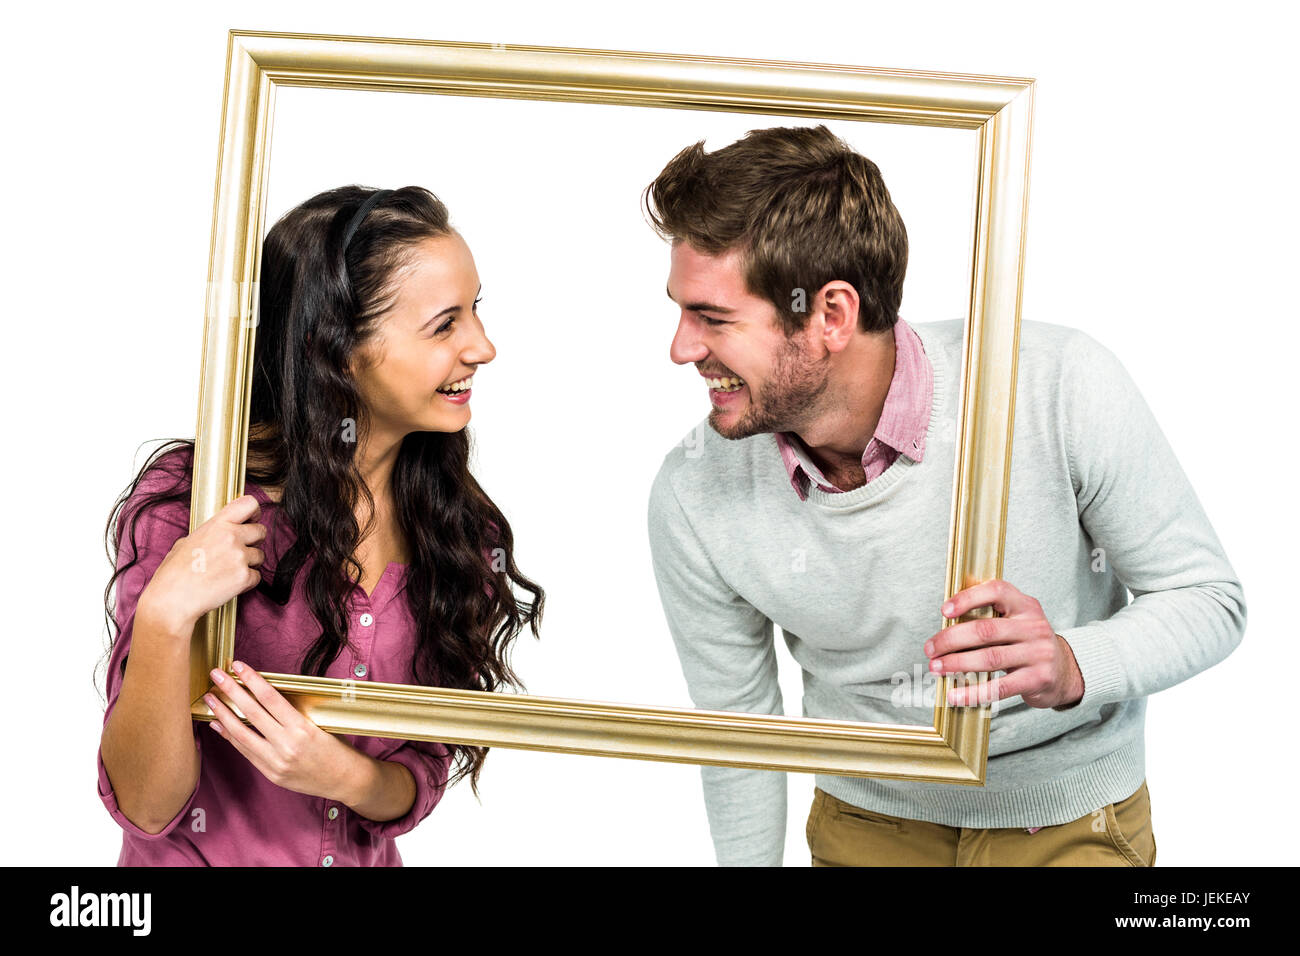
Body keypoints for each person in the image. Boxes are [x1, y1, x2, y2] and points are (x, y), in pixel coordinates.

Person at [642, 125, 1247, 866]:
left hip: (1070, 820)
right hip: (865, 825)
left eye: (712, 317)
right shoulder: (693, 491)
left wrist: (1071, 663)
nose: (681, 348)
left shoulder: (1056, 384)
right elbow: (739, 729)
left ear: (831, 314)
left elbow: (1207, 598)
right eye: (681, 310)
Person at [96, 185, 544, 866]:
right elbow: (146, 807)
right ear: (336, 349)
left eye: (474, 311)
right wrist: (165, 615)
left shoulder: (455, 529)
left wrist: (343, 777)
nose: (483, 347)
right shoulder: (201, 503)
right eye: (444, 324)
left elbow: (416, 775)